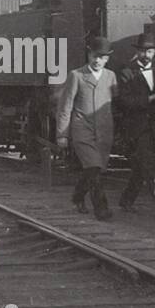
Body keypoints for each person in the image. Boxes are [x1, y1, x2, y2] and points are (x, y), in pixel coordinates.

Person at [55, 35, 118, 220]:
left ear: (107, 58)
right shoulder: (77, 75)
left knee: (93, 169)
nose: (97, 60)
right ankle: (102, 209)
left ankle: (77, 197)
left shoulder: (111, 77)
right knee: (93, 167)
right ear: (89, 55)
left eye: (102, 57)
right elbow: (65, 106)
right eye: (94, 55)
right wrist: (62, 134)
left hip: (104, 130)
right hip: (82, 128)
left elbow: (115, 102)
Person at [117, 33, 155, 218]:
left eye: (150, 51)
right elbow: (125, 102)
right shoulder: (127, 72)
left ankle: (126, 200)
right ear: (137, 52)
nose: (146, 55)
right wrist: (153, 98)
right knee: (151, 168)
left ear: (154, 53)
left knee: (141, 168)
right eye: (143, 51)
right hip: (135, 127)